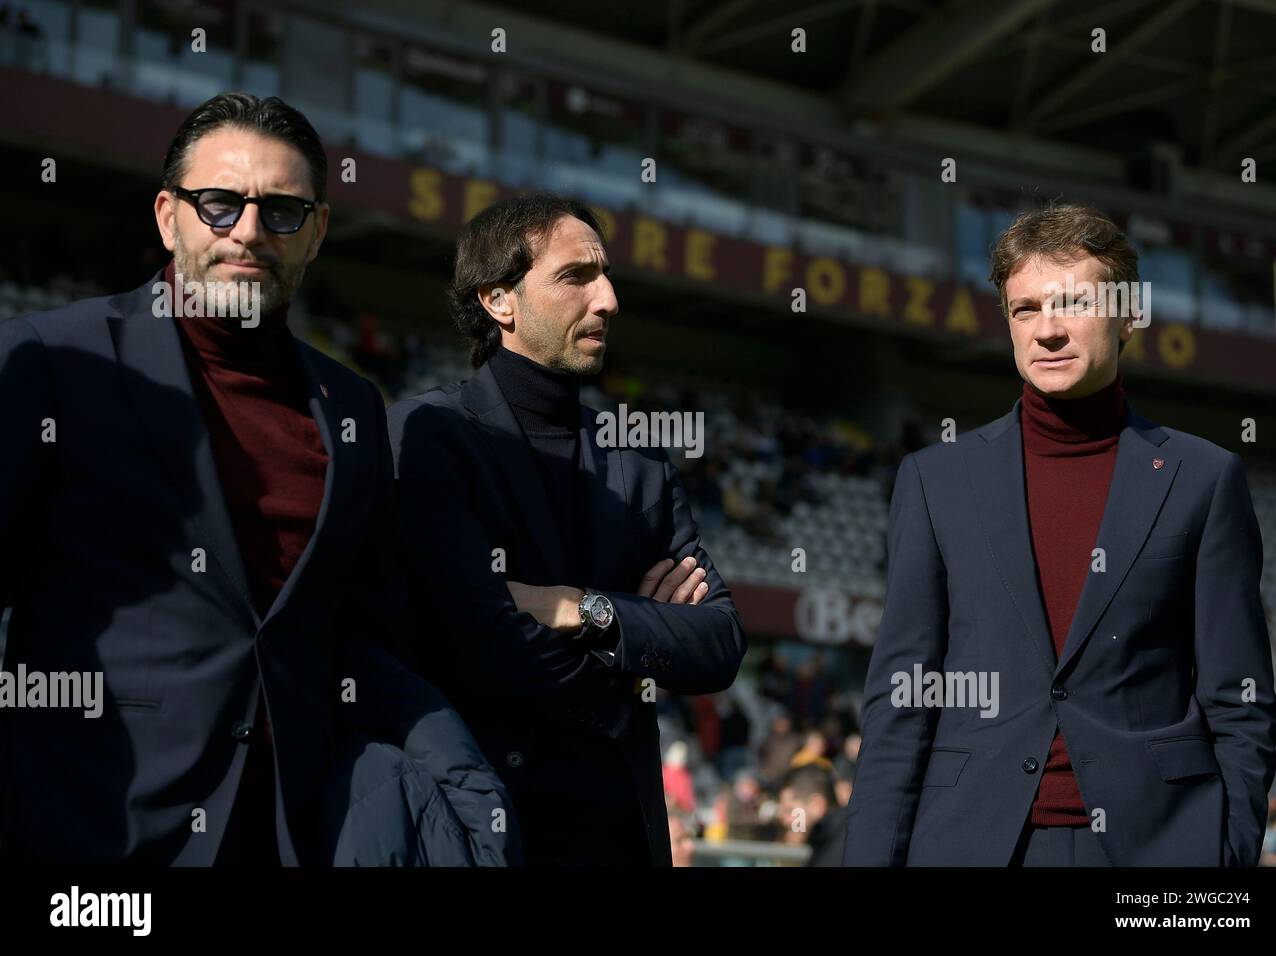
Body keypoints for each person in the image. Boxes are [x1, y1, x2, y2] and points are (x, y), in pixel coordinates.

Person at [0, 92, 510, 865]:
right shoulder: (46, 362)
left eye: (281, 212)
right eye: (218, 204)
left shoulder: (353, 409)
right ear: (168, 216)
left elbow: (367, 640)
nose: (246, 231)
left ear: (316, 233)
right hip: (87, 832)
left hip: (286, 832)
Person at [843, 203, 1276, 866]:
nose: (1047, 331)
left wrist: (1224, 860)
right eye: (1024, 310)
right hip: (971, 845)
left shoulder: (1204, 480)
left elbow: (1240, 703)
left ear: (1130, 314)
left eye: (1073, 303)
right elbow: (900, 701)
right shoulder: (937, 480)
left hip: (1157, 851)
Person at [387, 192, 746, 865]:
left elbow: (720, 643)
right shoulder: (432, 435)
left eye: (605, 275)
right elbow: (471, 641)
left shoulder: (638, 460)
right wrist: (636, 654)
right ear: (499, 301)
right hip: (480, 832)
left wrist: (584, 610)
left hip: (618, 842)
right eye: (575, 277)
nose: (607, 299)